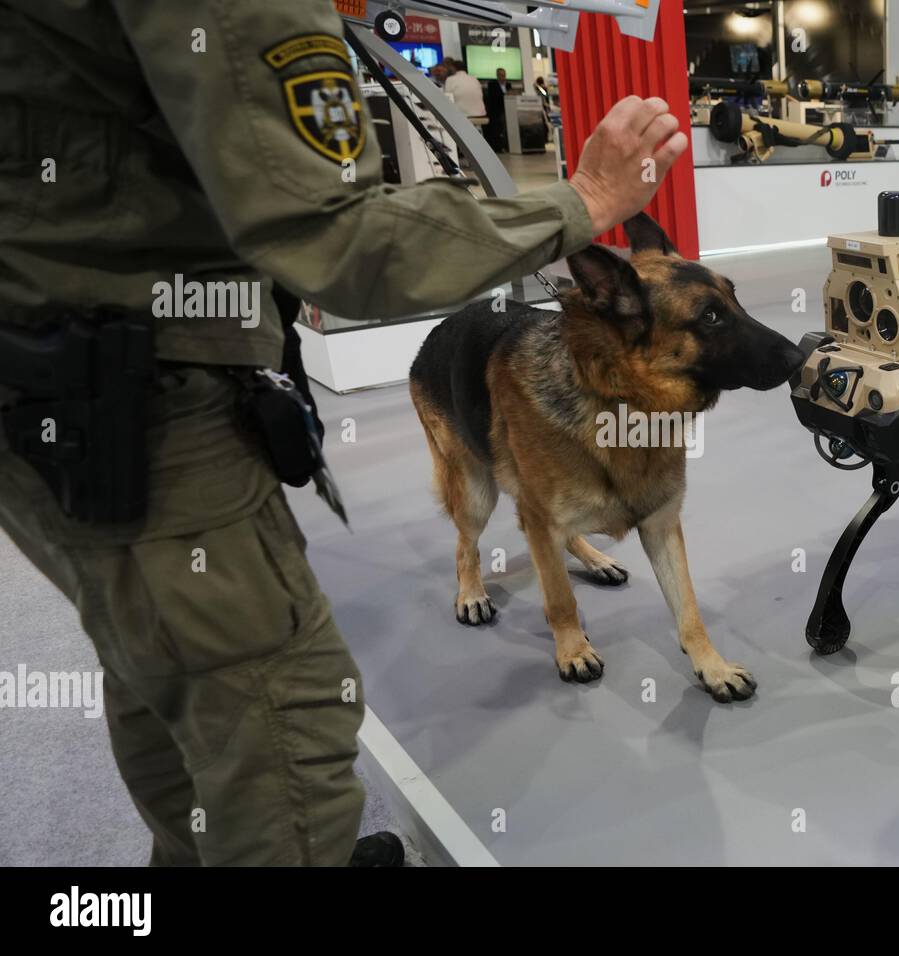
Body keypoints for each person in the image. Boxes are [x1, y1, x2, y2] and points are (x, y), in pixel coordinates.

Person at [0, 0, 687, 866]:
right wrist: (584, 201)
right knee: (284, 742)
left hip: (58, 382)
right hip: (138, 404)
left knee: (167, 677)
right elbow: (343, 240)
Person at [485, 67, 511, 152]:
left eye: (503, 75)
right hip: (496, 111)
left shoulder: (508, 85)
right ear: (497, 75)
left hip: (507, 110)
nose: (502, 77)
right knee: (496, 130)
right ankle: (497, 147)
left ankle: (506, 146)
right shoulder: (492, 85)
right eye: (500, 75)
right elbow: (492, 98)